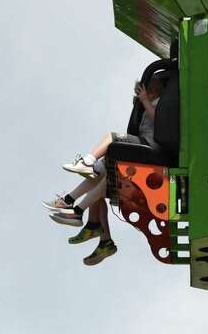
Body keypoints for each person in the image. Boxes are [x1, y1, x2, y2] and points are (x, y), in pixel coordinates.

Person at [43, 65, 168, 266]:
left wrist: (145, 101)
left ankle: (78, 199)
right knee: (99, 176)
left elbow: (161, 124)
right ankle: (97, 232)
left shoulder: (160, 103)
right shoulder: (146, 104)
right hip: (142, 145)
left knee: (110, 139)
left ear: (152, 89)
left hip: (151, 147)